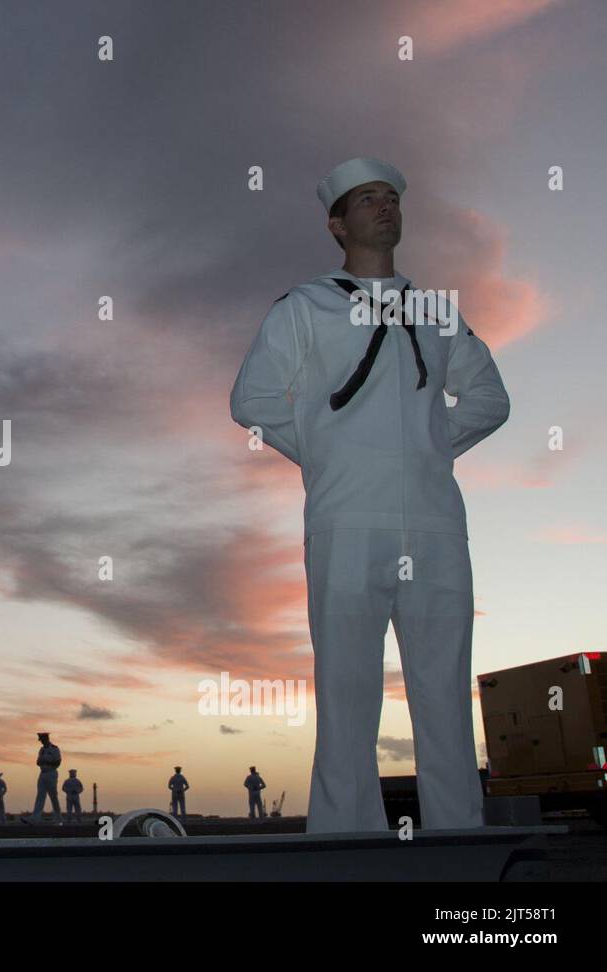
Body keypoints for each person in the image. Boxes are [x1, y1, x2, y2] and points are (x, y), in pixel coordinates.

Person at [230, 158, 508, 833]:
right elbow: (253, 401)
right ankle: (346, 839)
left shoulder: (437, 312)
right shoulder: (306, 305)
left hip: (437, 522)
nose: (385, 207)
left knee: (443, 689)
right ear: (337, 222)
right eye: (367, 199)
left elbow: (489, 400)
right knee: (348, 692)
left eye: (391, 198)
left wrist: (429, 449)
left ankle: (456, 838)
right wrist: (329, 458)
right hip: (347, 519)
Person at [22, 732, 63, 824]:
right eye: (41, 740)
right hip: (43, 773)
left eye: (42, 740)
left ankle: (58, 817)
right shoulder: (41, 750)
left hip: (51, 773)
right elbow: (38, 762)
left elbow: (57, 762)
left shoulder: (54, 749)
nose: (41, 742)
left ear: (46, 739)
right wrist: (43, 761)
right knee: (40, 796)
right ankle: (35, 818)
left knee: (53, 797)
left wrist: (46, 762)